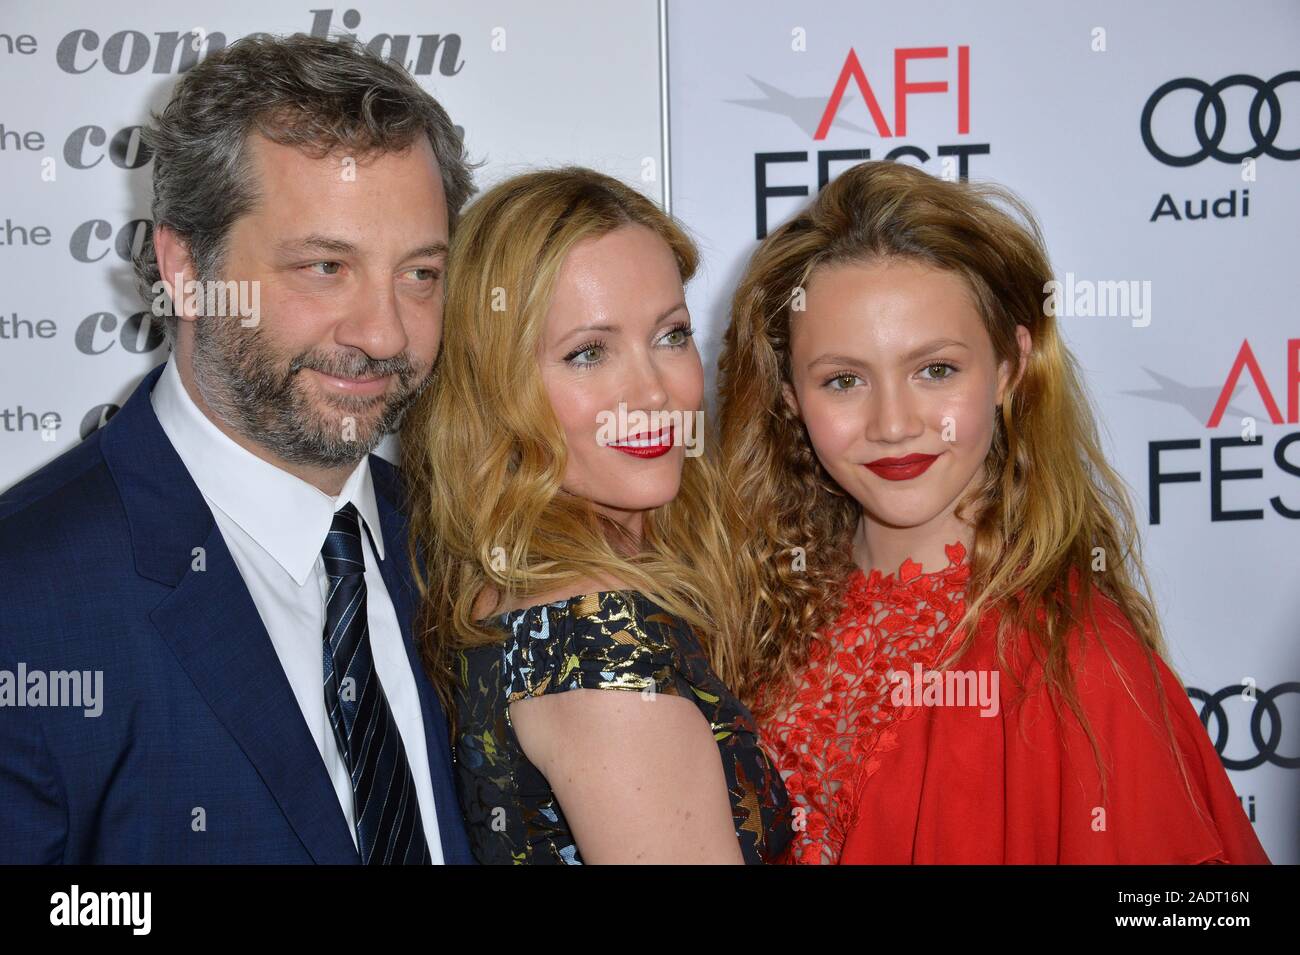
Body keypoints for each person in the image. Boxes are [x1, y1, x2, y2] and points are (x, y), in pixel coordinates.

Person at [0, 34, 476, 864]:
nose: (384, 332)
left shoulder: (469, 551)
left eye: (420, 274)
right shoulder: (26, 602)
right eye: (326, 266)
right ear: (183, 265)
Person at [715, 159, 1271, 865]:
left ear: (1011, 366)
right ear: (790, 395)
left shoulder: (1077, 659)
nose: (893, 423)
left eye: (935, 369)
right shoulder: (759, 608)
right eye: (843, 379)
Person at [402, 166, 792, 864]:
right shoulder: (599, 643)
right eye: (588, 352)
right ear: (497, 388)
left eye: (670, 335)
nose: (652, 391)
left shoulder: (519, 590)